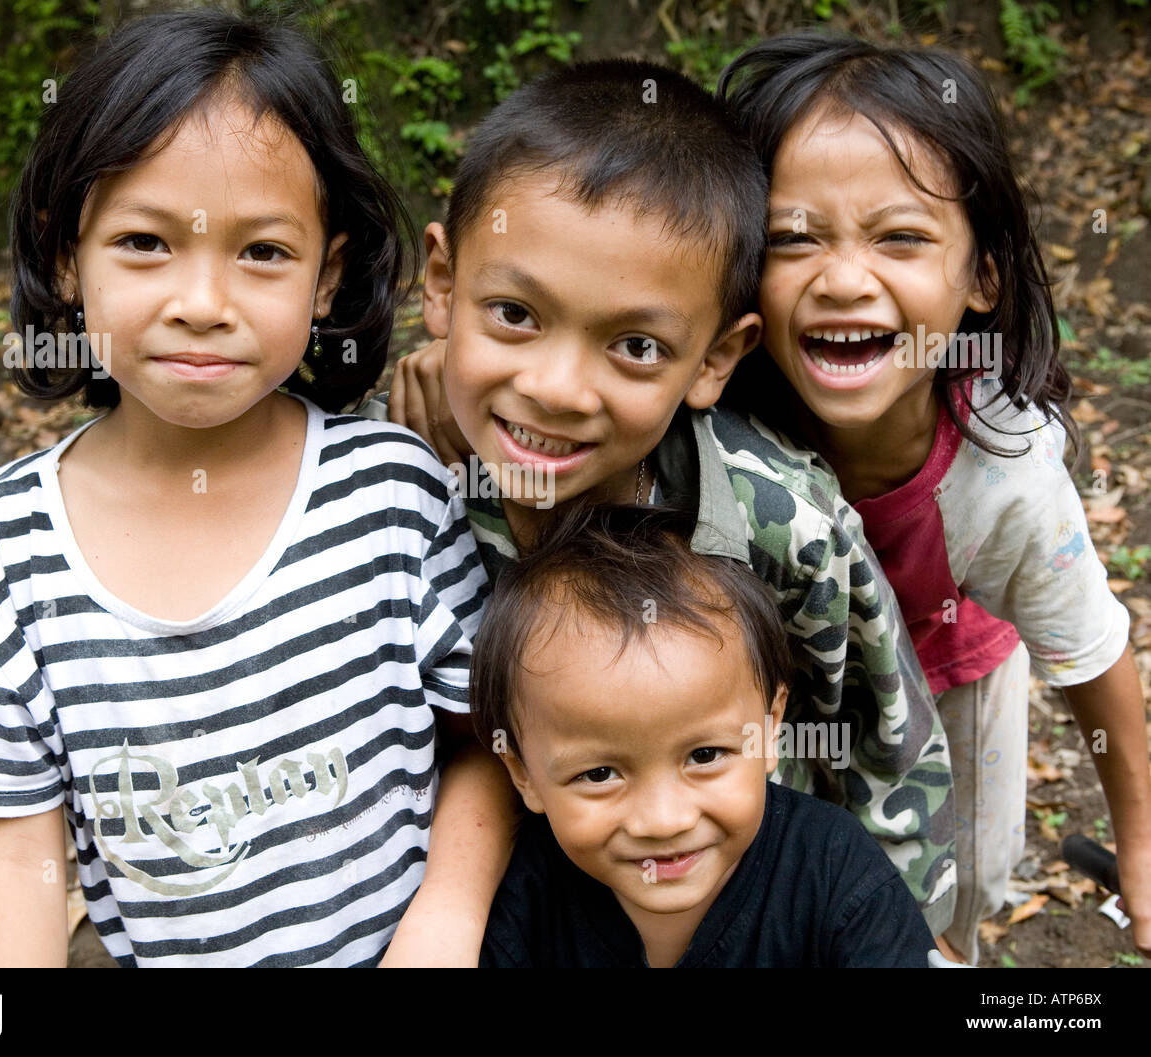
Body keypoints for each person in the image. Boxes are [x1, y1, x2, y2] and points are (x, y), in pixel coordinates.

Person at [0, 10, 509, 968]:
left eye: (262, 251)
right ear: (67, 258)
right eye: (145, 242)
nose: (202, 301)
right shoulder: (2, 555)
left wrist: (448, 915)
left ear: (326, 276)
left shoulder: (394, 498)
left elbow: (485, 739)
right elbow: (19, 861)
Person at [380, 59, 957, 933]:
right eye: (515, 314)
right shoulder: (405, 489)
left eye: (637, 347)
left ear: (718, 359)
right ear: (441, 282)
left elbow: (885, 742)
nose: (559, 387)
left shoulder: (781, 524)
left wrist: (901, 934)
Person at [717, 33, 1151, 963]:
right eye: (792, 238)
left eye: (901, 236)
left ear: (983, 277)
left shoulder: (1009, 476)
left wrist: (1143, 849)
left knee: (953, 892)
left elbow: (1091, 655)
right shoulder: (710, 418)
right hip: (786, 690)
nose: (841, 278)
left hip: (952, 682)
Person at [472, 504, 937, 967]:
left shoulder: (832, 869)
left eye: (706, 754)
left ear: (771, 726)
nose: (663, 820)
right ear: (523, 773)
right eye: (598, 773)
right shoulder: (525, 893)